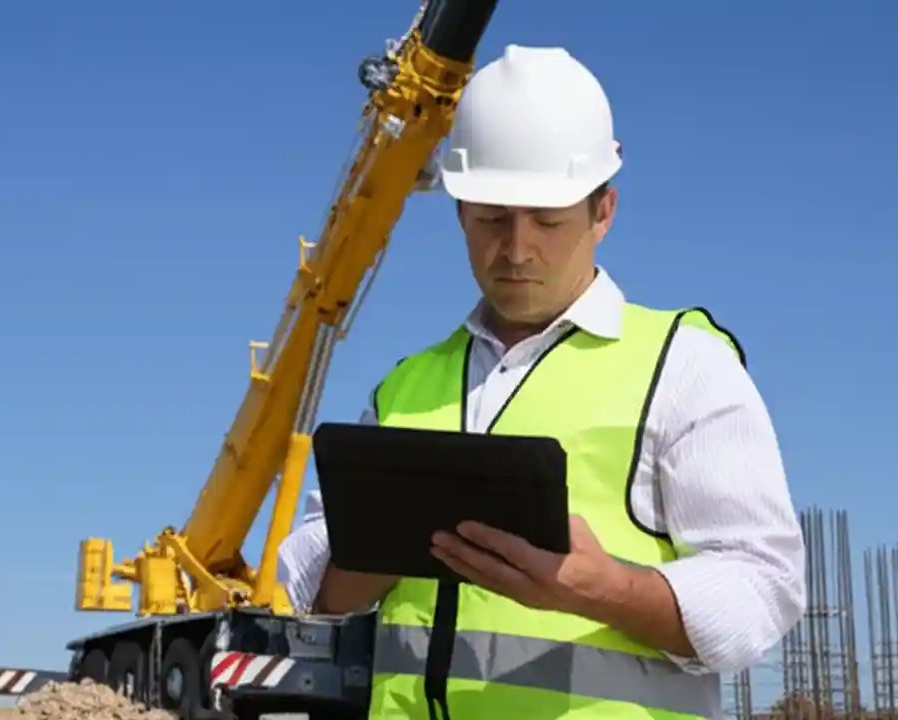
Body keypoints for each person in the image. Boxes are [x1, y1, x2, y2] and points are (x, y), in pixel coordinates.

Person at [276, 44, 805, 719]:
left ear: (603, 212)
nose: (518, 250)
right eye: (493, 219)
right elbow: (306, 581)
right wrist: (363, 559)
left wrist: (605, 588)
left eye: (549, 222)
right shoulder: (406, 388)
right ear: (460, 211)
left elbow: (763, 589)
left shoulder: (682, 367)